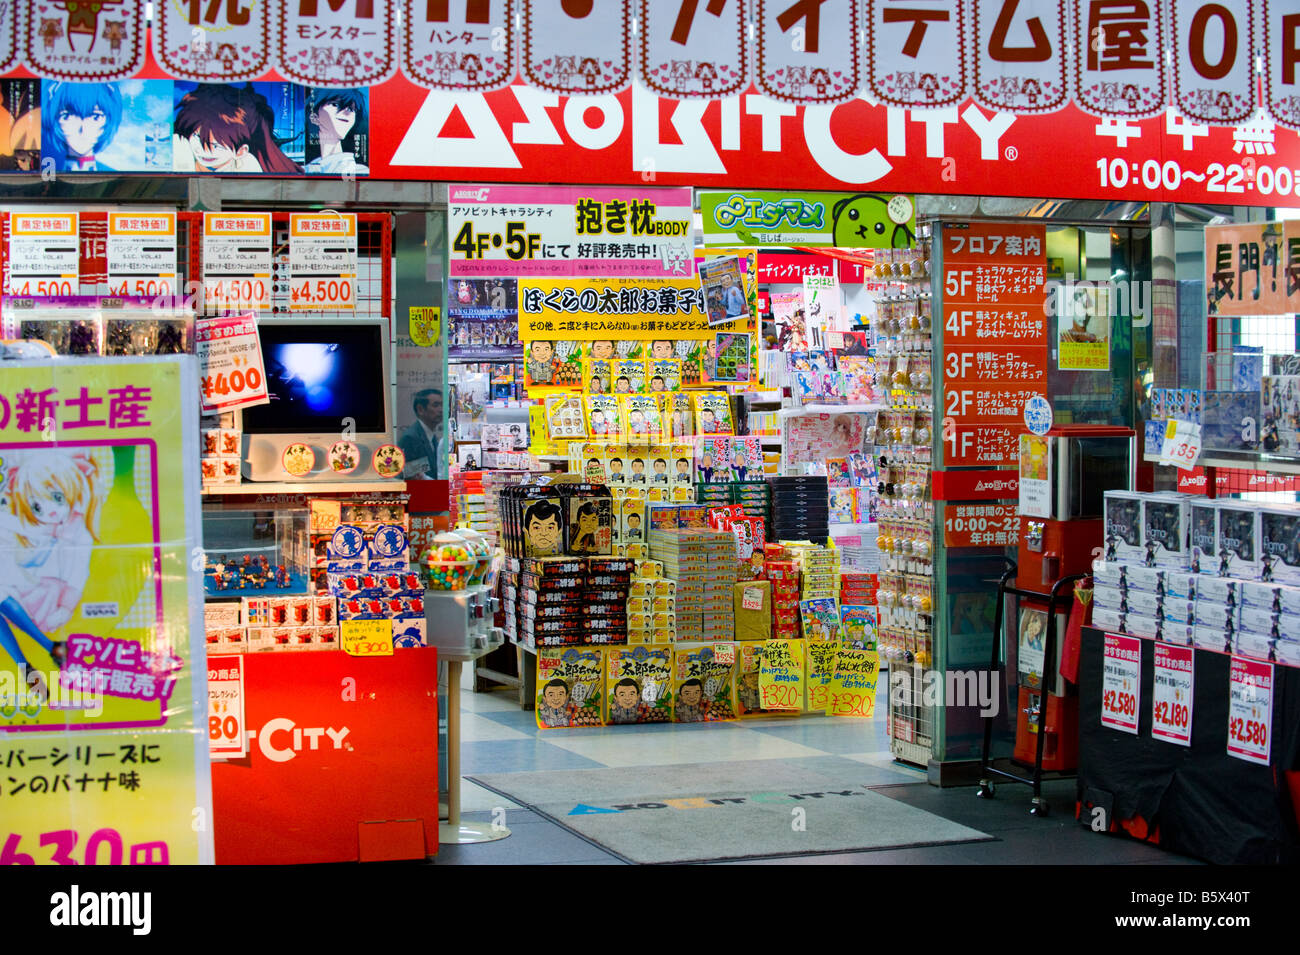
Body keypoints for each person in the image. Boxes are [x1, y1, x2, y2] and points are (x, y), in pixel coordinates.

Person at [173, 83, 302, 173]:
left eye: (217, 145)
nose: (204, 149)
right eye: (197, 137)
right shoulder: (179, 149)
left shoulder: (247, 165)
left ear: (241, 151)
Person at [42, 82, 122, 172]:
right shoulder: (47, 168)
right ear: (54, 120)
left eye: (96, 117)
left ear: (109, 121)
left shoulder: (115, 174)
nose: (82, 129)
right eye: (66, 116)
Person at [305, 88, 369, 175]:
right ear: (314, 116)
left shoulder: (358, 171)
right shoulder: (308, 169)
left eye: (352, 109)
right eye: (335, 104)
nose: (347, 112)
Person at [398, 389, 445, 480]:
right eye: (436, 405)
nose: (441, 410)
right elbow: (410, 475)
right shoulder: (411, 438)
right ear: (420, 409)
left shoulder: (431, 436)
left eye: (442, 405)